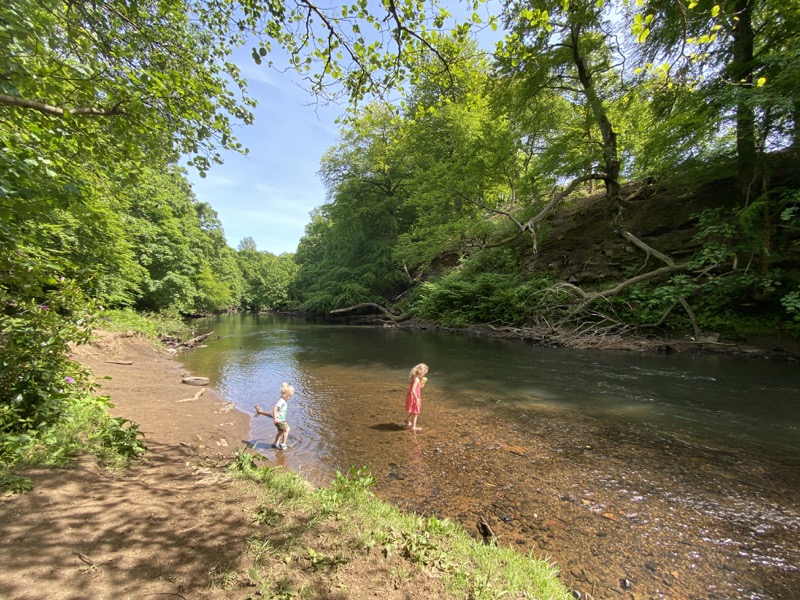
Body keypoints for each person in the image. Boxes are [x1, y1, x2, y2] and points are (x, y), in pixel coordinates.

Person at [255, 382, 294, 450]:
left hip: (280, 419)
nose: (289, 398)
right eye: (289, 396)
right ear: (285, 394)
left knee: (280, 431)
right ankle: (283, 444)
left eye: (290, 396)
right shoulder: (282, 401)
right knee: (287, 429)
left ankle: (275, 444)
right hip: (279, 420)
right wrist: (275, 418)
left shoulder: (283, 400)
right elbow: (275, 408)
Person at [403, 363, 429, 432]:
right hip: (414, 396)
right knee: (416, 411)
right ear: (422, 371)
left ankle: (407, 419)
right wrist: (417, 399)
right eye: (424, 373)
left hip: (410, 395)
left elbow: (417, 387)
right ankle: (413, 427)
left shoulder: (413, 376)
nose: (424, 375)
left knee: (414, 409)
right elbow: (413, 390)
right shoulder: (417, 379)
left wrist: (422, 384)